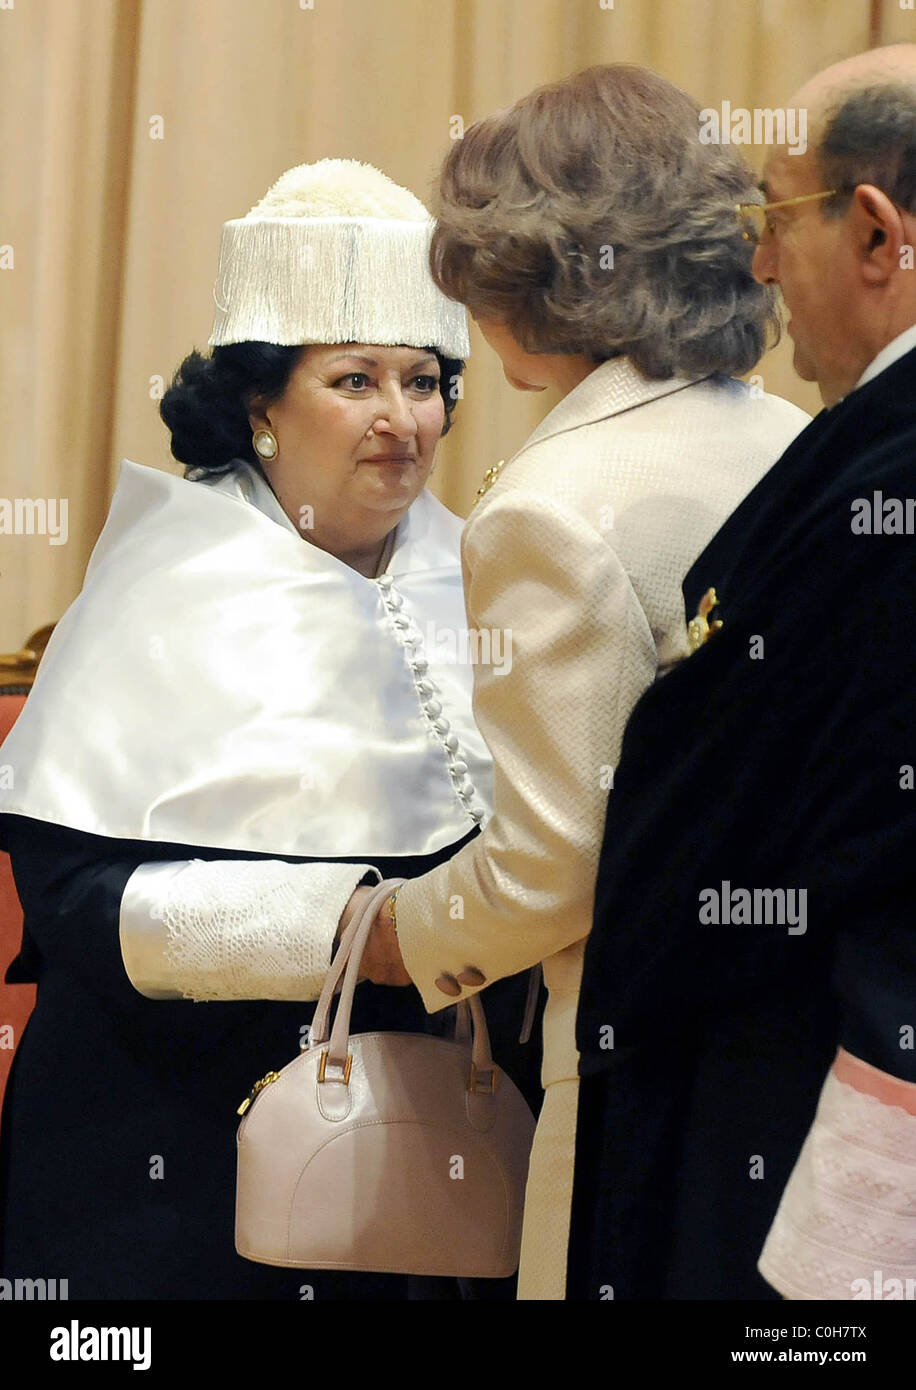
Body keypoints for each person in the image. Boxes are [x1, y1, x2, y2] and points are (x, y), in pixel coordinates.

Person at [0, 158, 537, 1300]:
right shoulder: (165, 578)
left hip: (419, 1158)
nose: (403, 420)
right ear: (258, 405)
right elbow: (76, 898)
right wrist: (342, 928)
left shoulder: (498, 575)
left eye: (426, 379)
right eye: (355, 380)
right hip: (161, 1157)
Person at [347, 64, 811, 1299]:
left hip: (643, 1062)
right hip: (810, 1044)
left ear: (531, 281)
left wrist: (400, 936)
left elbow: (551, 866)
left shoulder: (552, 510)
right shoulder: (793, 442)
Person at [569, 44, 916, 1301]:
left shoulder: (891, 481)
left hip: (809, 1097)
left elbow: (770, 824)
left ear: (875, 236)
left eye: (775, 220)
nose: (760, 264)